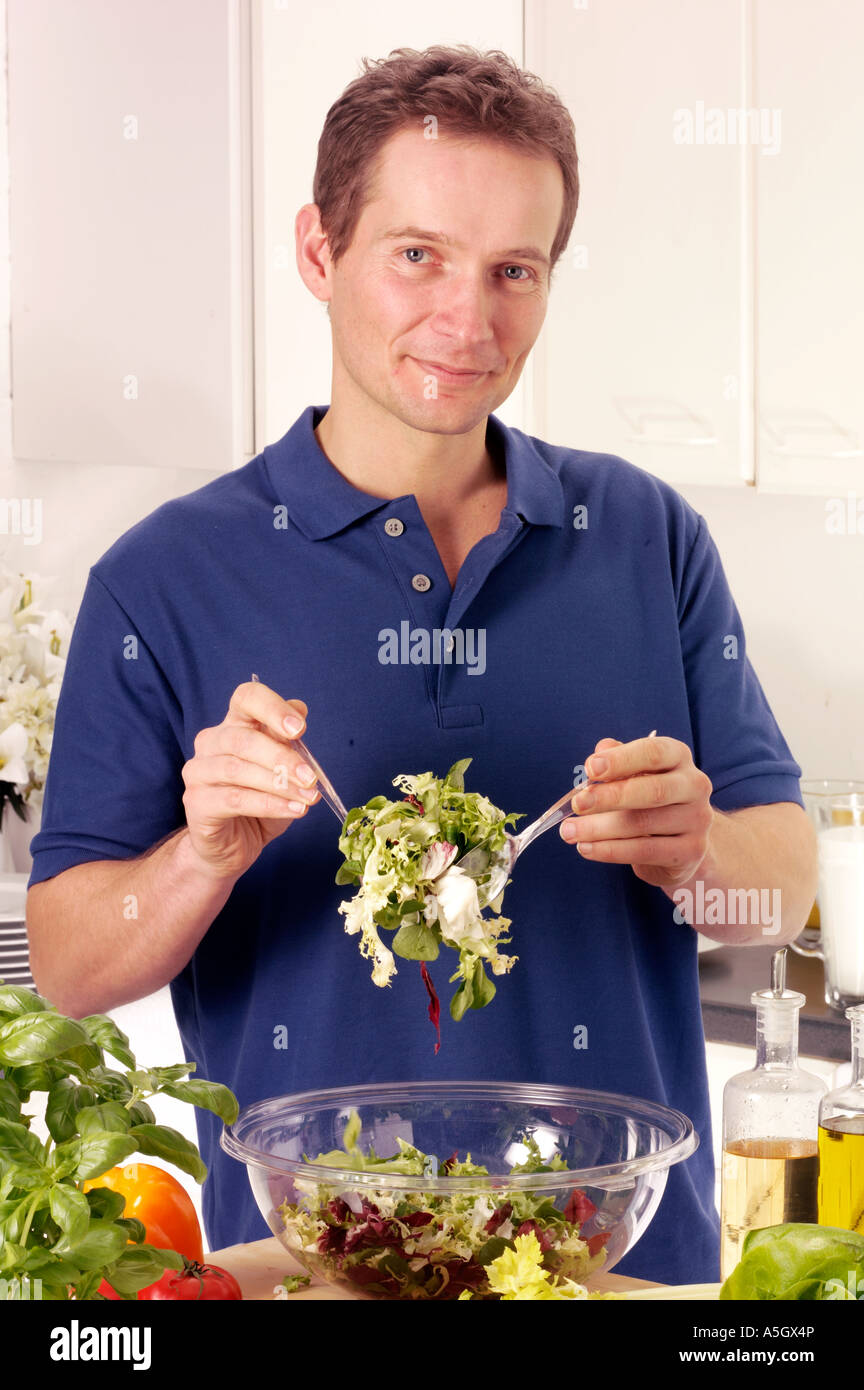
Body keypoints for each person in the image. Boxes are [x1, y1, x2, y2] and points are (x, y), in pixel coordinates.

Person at [26, 45, 815, 1286]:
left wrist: (697, 850)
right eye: (417, 255)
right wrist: (203, 856)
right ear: (318, 252)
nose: (469, 318)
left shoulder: (648, 537)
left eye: (516, 270)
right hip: (319, 1265)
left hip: (622, 1265)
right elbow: (72, 967)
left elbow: (773, 902)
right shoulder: (165, 576)